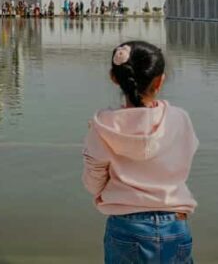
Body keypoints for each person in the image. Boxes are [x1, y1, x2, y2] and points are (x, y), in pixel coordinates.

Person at [82, 41, 198, 263]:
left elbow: (93, 183)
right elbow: (182, 165)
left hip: (126, 225)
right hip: (175, 222)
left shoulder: (103, 125)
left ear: (114, 78)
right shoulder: (179, 118)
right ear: (160, 81)